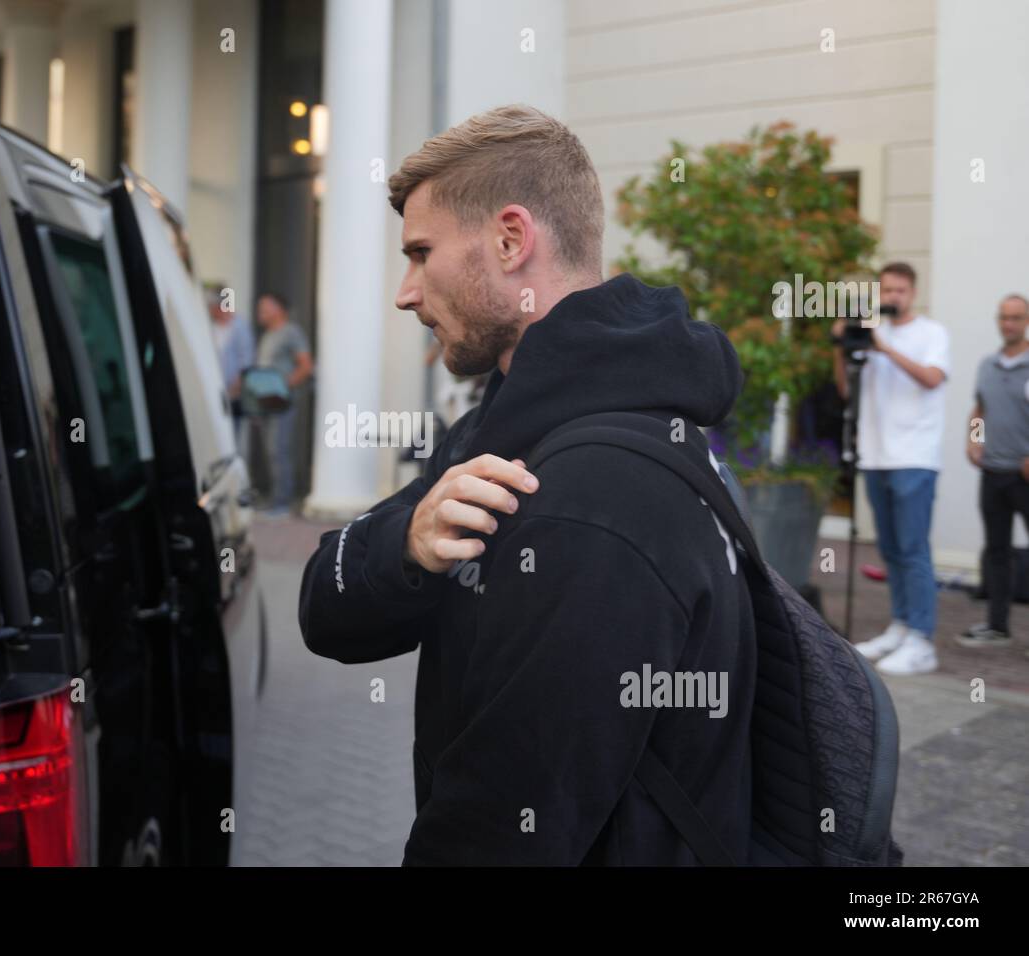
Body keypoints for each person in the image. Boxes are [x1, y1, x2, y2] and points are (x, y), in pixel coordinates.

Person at [298, 104, 755, 865]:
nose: (405, 293)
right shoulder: (506, 426)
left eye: (420, 252)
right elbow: (325, 607)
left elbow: (501, 833)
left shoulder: (590, 502)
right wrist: (407, 546)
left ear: (510, 240)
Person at [833, 263, 950, 675]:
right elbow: (846, 391)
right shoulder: (870, 335)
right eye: (887, 290)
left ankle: (922, 639)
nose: (893, 297)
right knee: (891, 548)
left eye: (900, 290)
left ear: (913, 293)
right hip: (876, 455)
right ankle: (901, 625)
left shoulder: (931, 333)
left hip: (914, 457)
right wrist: (843, 344)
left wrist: (886, 349)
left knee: (913, 548)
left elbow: (933, 378)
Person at [961, 294, 1029, 648]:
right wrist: (974, 441)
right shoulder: (988, 365)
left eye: (1016, 318)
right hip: (994, 473)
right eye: (1004, 317)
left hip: (1025, 475)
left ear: (1027, 320)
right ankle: (997, 625)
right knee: (997, 550)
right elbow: (980, 408)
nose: (1009, 324)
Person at [250, 292, 313, 516]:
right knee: (270, 450)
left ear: (279, 309)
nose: (261, 312)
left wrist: (282, 388)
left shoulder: (291, 332)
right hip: (264, 403)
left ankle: (283, 503)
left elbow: (306, 366)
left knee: (280, 450)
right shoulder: (268, 334)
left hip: (281, 402)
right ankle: (275, 498)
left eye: (265, 307)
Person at [206, 282, 255, 464]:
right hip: (213, 392)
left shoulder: (239, 326)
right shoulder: (210, 326)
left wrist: (235, 387)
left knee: (230, 439)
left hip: (232, 394)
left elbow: (246, 360)